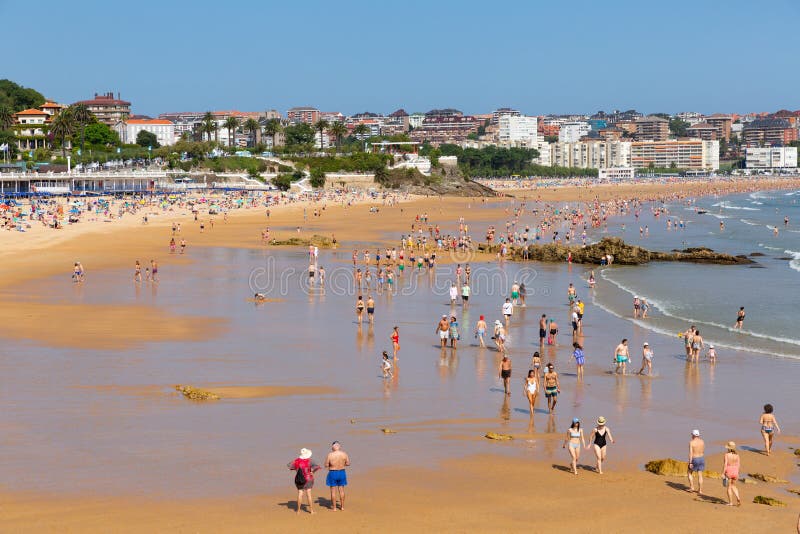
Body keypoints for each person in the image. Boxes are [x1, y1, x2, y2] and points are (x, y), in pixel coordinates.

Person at [288, 448, 321, 514]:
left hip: (299, 479)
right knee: (309, 494)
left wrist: (296, 469)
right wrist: (312, 471)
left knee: (300, 494)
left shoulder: (296, 460)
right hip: (308, 478)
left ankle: (298, 511)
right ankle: (311, 511)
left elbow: (289, 466)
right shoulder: (310, 460)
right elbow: (317, 466)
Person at [324, 441, 350, 511]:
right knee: (341, 490)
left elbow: (326, 465)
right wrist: (342, 464)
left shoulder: (330, 455)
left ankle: (334, 508)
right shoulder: (344, 454)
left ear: (333, 447)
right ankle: (342, 507)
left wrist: (331, 465)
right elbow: (348, 463)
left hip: (333, 472)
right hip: (342, 472)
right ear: (339, 446)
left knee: (333, 491)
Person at [722, 442, 741, 506]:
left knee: (729, 487)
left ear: (729, 448)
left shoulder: (727, 455)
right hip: (735, 471)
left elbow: (725, 464)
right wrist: (738, 472)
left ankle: (731, 502)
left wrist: (723, 473)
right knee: (734, 486)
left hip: (729, 470)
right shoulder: (737, 455)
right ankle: (738, 498)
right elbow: (738, 465)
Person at [688, 429, 705, 495]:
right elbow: (703, 451)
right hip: (701, 458)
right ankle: (700, 490)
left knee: (689, 472)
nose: (691, 436)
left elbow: (690, 453)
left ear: (693, 435)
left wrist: (690, 462)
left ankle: (692, 487)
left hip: (695, 458)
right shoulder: (702, 441)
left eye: (692, 435)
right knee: (700, 474)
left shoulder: (691, 442)